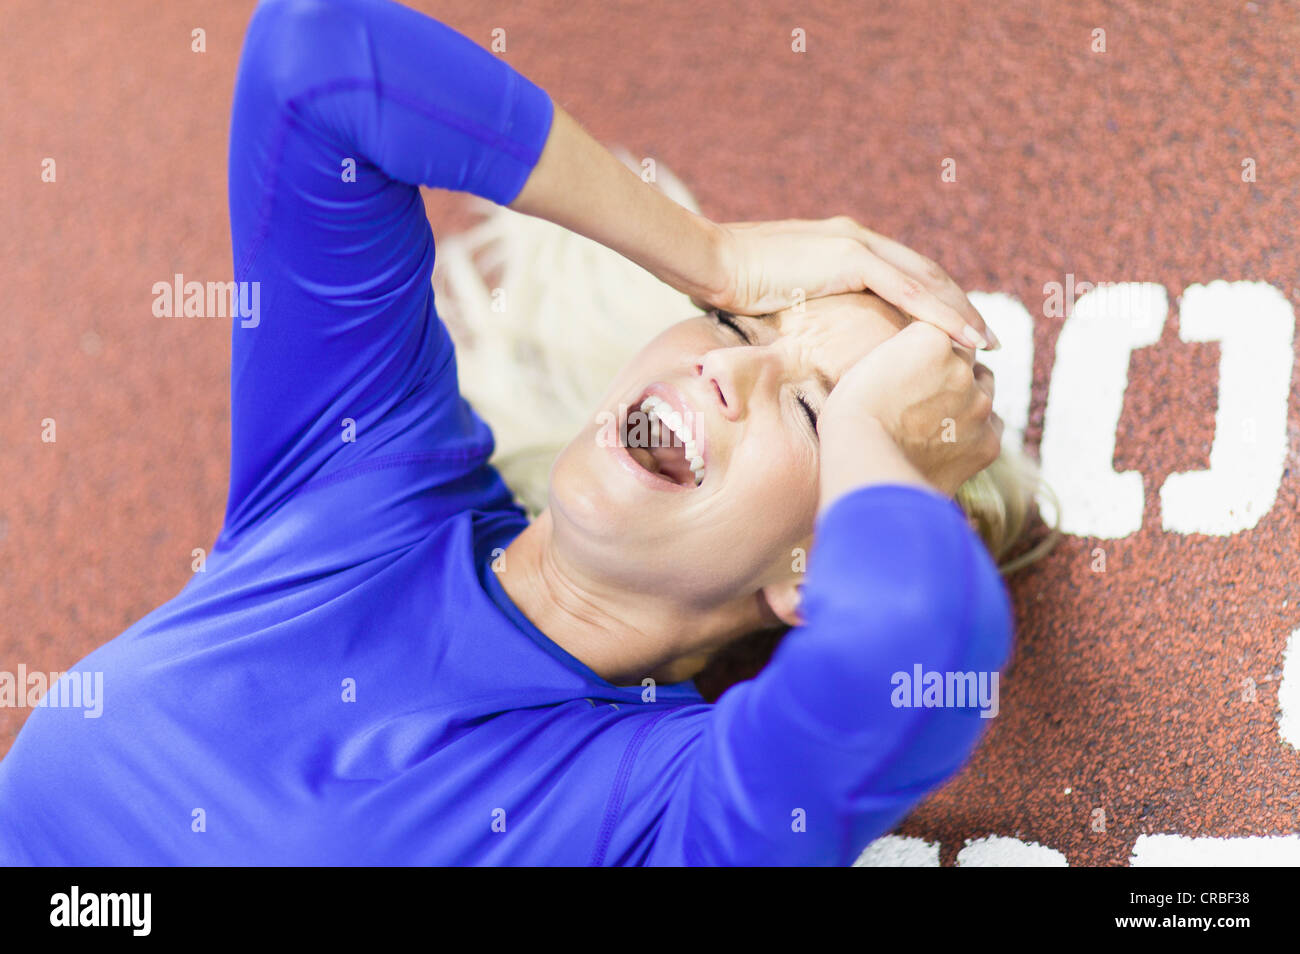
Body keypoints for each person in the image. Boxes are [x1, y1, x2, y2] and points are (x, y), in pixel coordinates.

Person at [0, 0, 1021, 865]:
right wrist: (710, 253)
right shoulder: (367, 474)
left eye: (815, 411)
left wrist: (877, 432)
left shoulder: (661, 812)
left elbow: (914, 648)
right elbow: (317, 55)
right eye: (731, 326)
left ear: (809, 569)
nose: (727, 366)